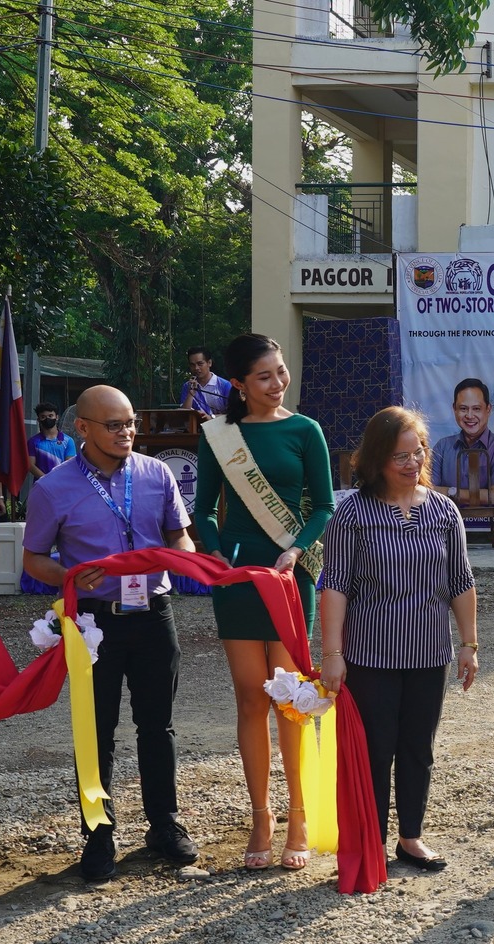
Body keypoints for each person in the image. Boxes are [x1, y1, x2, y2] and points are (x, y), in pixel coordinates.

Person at [23, 385, 200, 882]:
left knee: (157, 725)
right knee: (95, 732)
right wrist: (68, 576)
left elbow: (176, 533)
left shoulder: (156, 472)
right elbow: (33, 558)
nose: (126, 433)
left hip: (153, 614)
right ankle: (98, 835)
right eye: (114, 425)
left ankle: (163, 823)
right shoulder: (53, 488)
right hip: (94, 622)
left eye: (130, 424)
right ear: (82, 428)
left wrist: (185, 553)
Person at [192, 333, 337, 871]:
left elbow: (323, 505)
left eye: (281, 373)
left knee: (291, 699)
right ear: (239, 385)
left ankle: (299, 814)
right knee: (250, 698)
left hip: (289, 574)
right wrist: (218, 555)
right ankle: (261, 814)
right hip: (239, 577)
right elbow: (203, 509)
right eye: (264, 377)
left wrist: (297, 549)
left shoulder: (305, 430)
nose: (278, 384)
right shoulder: (219, 436)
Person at [319, 406, 481, 871]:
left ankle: (410, 838)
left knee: (418, 748)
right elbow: (336, 586)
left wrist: (468, 644)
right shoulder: (353, 513)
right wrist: (332, 654)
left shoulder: (443, 510)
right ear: (376, 459)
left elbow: (460, 581)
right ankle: (370, 842)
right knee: (374, 751)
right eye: (399, 456)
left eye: (419, 453)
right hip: (371, 656)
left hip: (430, 654)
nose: (412, 464)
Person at [430, 378, 494, 507]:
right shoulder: (442, 447)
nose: (470, 416)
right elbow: (428, 492)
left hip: (492, 525)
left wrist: (450, 491)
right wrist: (482, 495)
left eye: (476, 409)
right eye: (463, 408)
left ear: (488, 409)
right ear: (454, 409)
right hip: (448, 524)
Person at [26, 402, 79, 486]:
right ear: (38, 419)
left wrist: (57, 481)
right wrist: (46, 480)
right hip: (41, 486)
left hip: (62, 485)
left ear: (57, 417)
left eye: (50, 416)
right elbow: (30, 465)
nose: (47, 419)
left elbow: (69, 464)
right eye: (43, 417)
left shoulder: (68, 440)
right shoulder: (33, 442)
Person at [182, 346, 234, 419]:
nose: (196, 368)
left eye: (200, 364)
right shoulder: (187, 386)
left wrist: (211, 417)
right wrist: (191, 394)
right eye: (192, 365)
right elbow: (183, 415)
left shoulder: (225, 385)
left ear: (209, 363)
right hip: (195, 429)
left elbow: (233, 414)